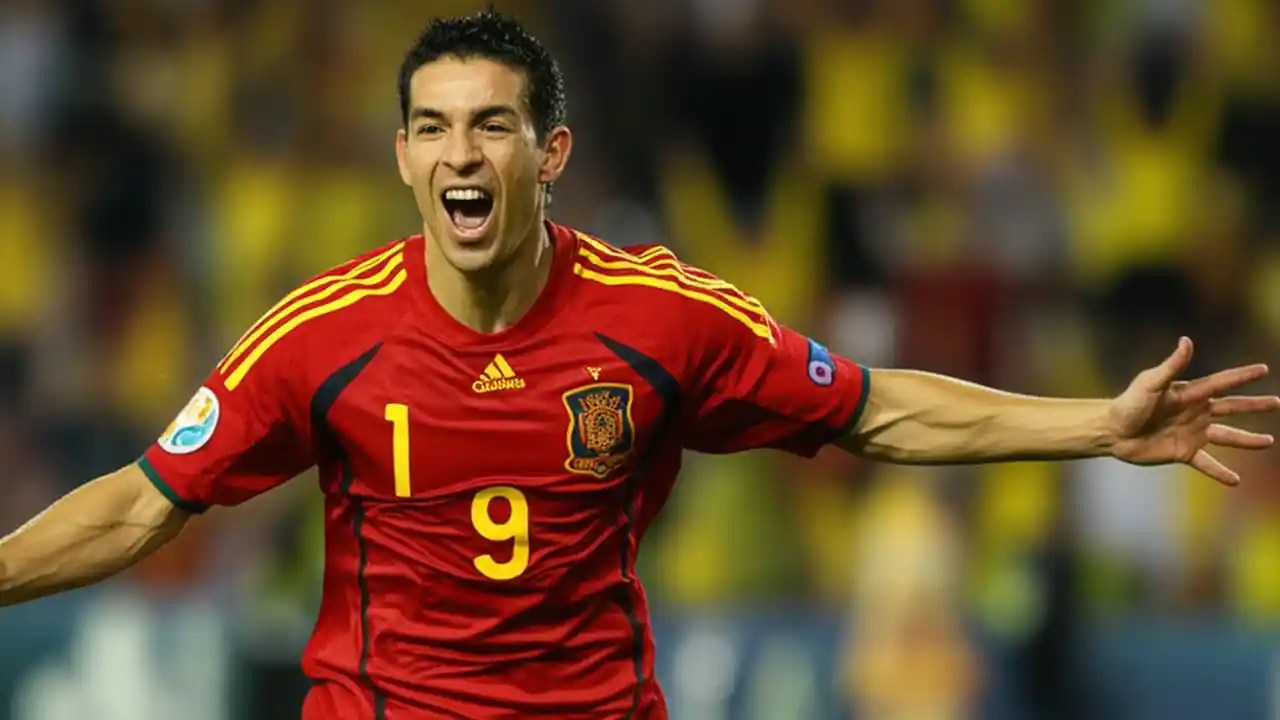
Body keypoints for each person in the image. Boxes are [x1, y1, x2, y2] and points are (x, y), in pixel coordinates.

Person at [1, 11, 1276, 720]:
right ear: (400, 157)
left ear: (546, 153)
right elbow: (137, 501)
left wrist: (1093, 427)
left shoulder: (661, 318)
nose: (462, 155)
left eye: (491, 125)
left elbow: (877, 413)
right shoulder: (320, 333)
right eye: (434, 128)